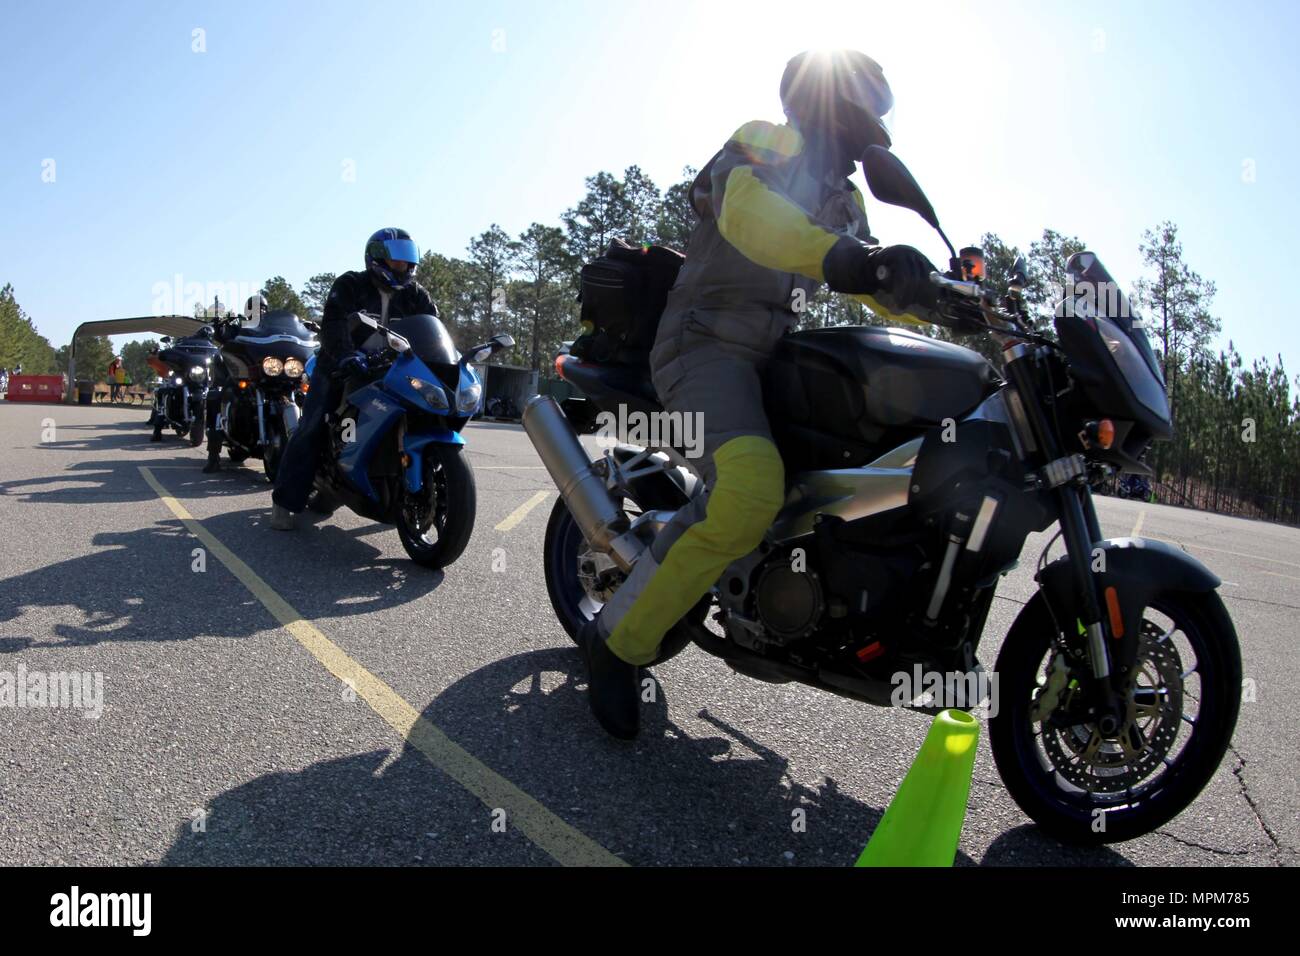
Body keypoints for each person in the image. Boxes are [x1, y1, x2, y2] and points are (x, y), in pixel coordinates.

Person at [575, 49, 942, 739]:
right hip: (702, 346)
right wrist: (842, 256)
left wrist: (940, 298)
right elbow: (747, 215)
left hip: (770, 360)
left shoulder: (846, 198)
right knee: (748, 491)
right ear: (824, 112)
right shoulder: (764, 143)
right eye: (858, 128)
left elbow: (873, 278)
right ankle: (616, 644)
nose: (863, 150)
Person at [268, 228, 438, 528]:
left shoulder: (416, 295)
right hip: (341, 364)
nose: (405, 268)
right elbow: (333, 324)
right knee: (312, 425)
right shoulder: (350, 285)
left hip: (394, 367)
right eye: (397, 261)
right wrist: (346, 356)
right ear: (376, 259)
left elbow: (434, 330)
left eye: (408, 262)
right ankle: (285, 501)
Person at [202, 297, 264, 472]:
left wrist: (305, 328)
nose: (259, 312)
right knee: (217, 397)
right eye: (254, 309)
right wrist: (219, 324)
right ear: (247, 311)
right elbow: (223, 335)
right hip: (241, 375)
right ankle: (213, 456)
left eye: (262, 309)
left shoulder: (270, 329)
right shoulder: (239, 327)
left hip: (266, 376)